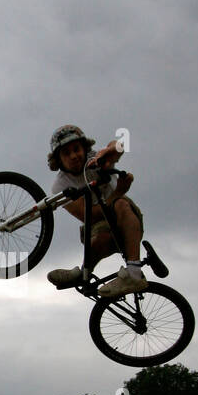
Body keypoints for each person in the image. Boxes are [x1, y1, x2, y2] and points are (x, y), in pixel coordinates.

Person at [44, 124, 147, 299]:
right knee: (101, 236)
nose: (74, 156)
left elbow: (119, 146)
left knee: (121, 204)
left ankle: (134, 273)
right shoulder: (60, 185)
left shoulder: (95, 159)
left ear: (84, 148)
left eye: (76, 149)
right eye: (66, 154)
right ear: (59, 160)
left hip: (125, 220)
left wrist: (109, 151)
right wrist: (117, 193)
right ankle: (83, 272)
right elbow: (88, 216)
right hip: (97, 226)